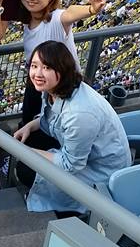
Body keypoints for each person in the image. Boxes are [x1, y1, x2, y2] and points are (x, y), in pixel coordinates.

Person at [13, 41, 130, 214]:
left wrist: (29, 153)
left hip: (101, 171)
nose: (37, 73)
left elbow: (71, 164)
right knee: (29, 137)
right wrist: (29, 126)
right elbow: (51, 119)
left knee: (25, 169)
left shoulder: (80, 113)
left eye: (46, 68)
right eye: (34, 66)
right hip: (89, 154)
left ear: (62, 70)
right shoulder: (58, 88)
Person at [4, 0, 106, 126]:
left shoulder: (57, 19)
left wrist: (91, 9)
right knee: (28, 124)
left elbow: (70, 13)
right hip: (37, 84)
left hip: (63, 89)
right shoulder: (27, 20)